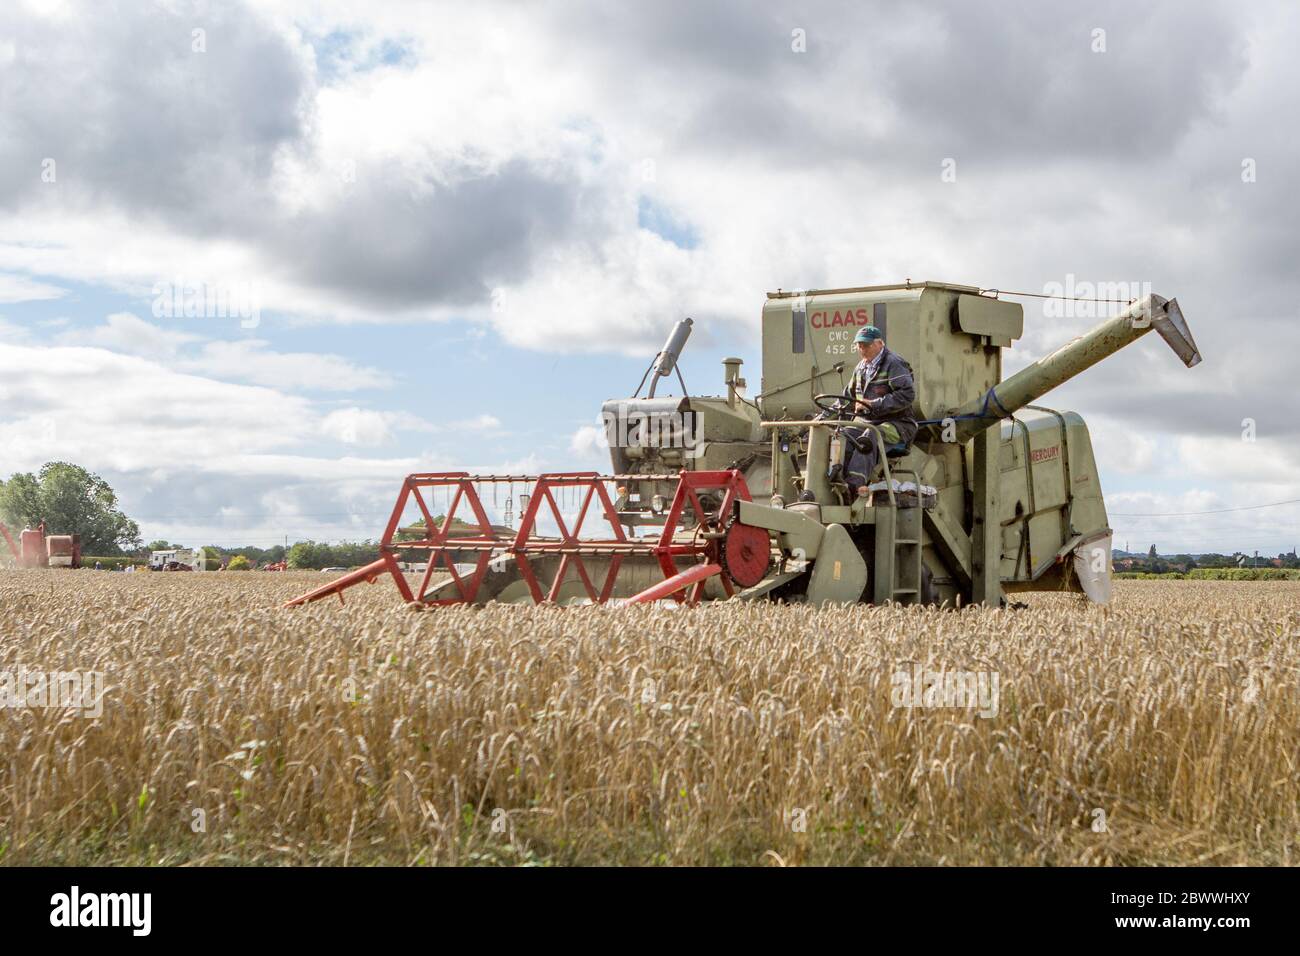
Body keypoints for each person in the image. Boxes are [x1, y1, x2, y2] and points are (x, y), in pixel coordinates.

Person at [830, 325, 917, 496]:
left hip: (898, 425)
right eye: (859, 345)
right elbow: (845, 399)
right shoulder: (861, 368)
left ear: (879, 344)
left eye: (866, 345)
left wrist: (874, 404)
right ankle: (836, 480)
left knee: (870, 436)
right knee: (842, 435)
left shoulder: (894, 363)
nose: (862, 349)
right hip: (867, 422)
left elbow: (907, 395)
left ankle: (854, 487)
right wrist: (822, 419)